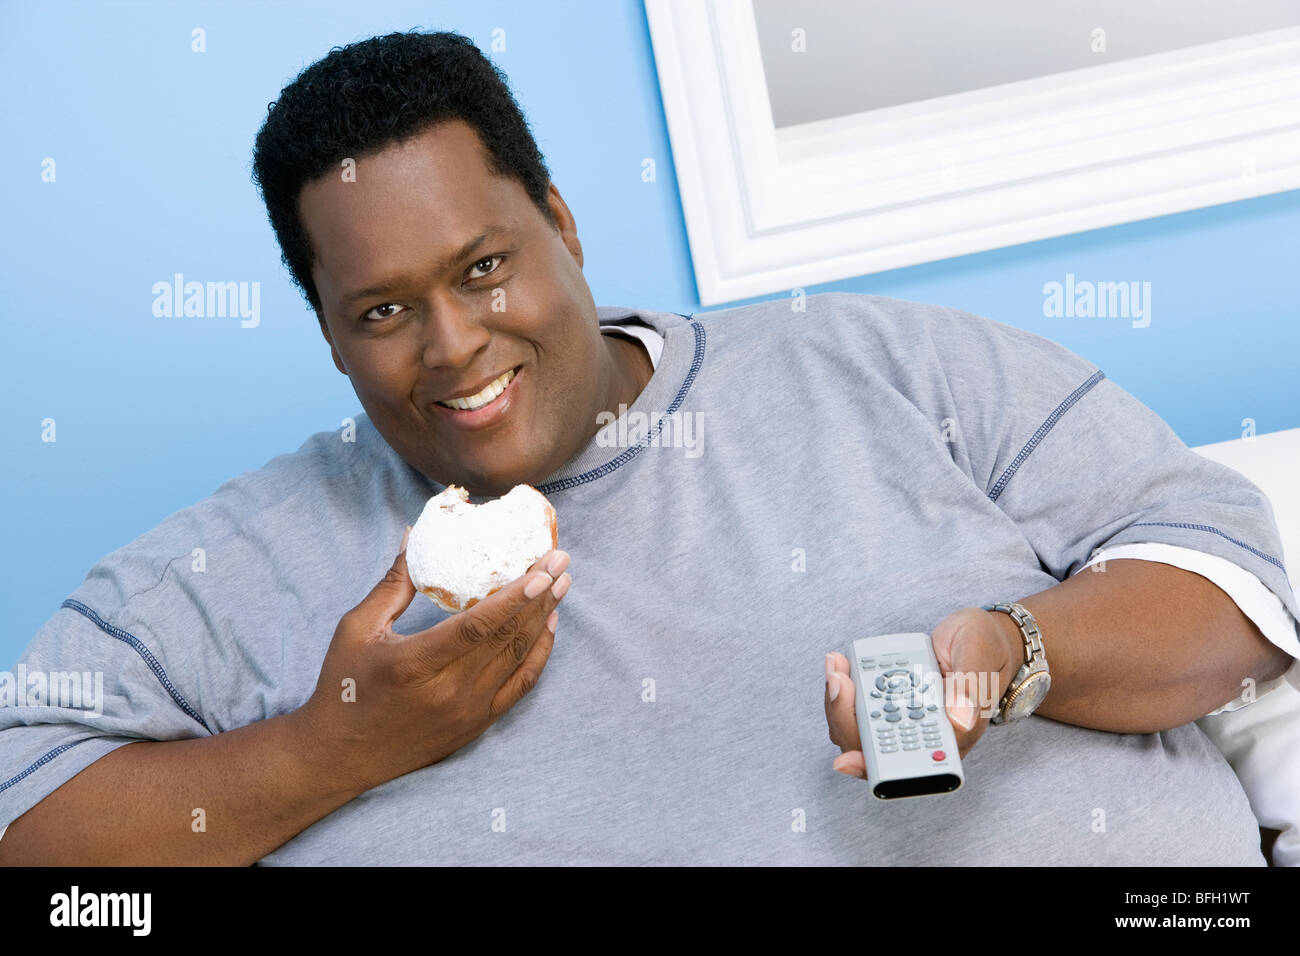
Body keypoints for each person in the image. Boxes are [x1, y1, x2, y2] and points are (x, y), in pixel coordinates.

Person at [1, 30, 1295, 866]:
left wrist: (1018, 655)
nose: (451, 346)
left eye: (486, 268)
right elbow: (29, 821)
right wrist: (336, 748)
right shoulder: (250, 559)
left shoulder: (876, 366)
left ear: (561, 222)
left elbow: (1231, 583)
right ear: (333, 337)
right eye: (384, 312)